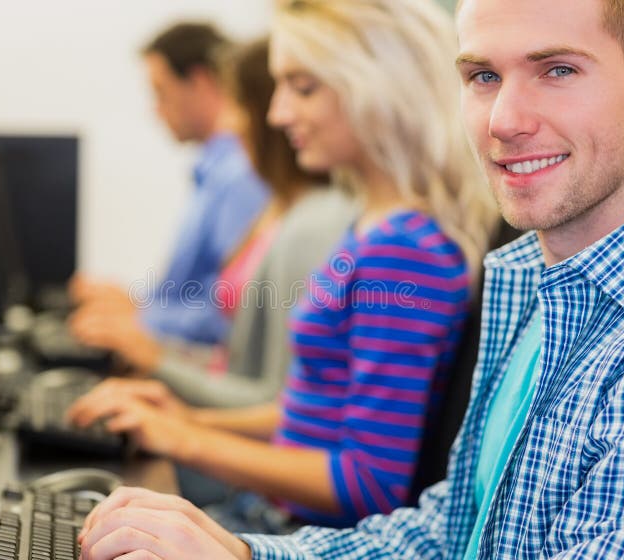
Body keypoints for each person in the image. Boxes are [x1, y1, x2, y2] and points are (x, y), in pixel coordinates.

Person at [75, 0, 624, 558]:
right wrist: (245, 553)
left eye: (558, 71)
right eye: (482, 77)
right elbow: (447, 532)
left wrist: (187, 437)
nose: (504, 120)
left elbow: (367, 473)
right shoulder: (529, 289)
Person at [70, 0, 496, 535]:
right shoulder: (373, 223)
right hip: (279, 517)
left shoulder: (402, 249)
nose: (277, 114)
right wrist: (186, 418)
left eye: (303, 87)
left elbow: (368, 481)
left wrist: (185, 439)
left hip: (302, 532)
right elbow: (314, 413)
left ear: (375, 87)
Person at [71, 38, 356, 409]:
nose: (229, 123)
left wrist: (159, 365)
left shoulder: (308, 223)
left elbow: (274, 399)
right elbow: (239, 364)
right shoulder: (282, 211)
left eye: (237, 105)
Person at [69, 22, 268, 348]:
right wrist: (136, 305)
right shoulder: (215, 172)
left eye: (161, 91)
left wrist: (140, 318)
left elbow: (233, 312)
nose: (156, 109)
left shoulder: (241, 176)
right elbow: (195, 291)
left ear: (201, 81)